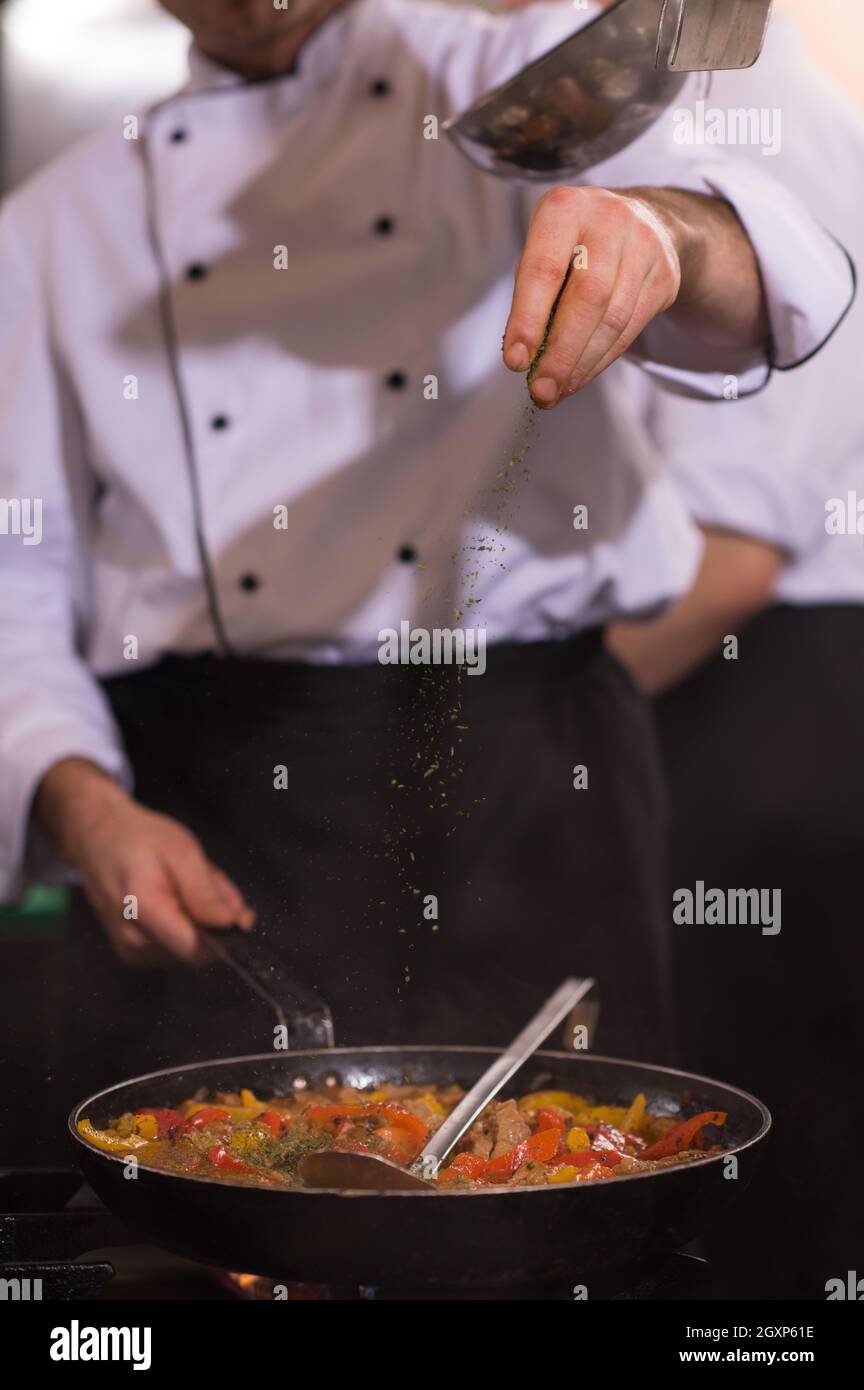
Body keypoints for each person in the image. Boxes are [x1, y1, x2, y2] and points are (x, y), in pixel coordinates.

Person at [0, 0, 854, 1143]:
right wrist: (82, 805)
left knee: (576, 1170)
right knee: (198, 1187)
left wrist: (665, 235)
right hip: (204, 805)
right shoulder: (49, 229)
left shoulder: (518, 88)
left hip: (523, 782)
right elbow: (13, 583)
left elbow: (763, 271)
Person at [608, 13, 864, 1298]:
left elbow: (733, 558)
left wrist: (524, 746)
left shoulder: (761, 118)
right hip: (727, 696)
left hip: (768, 705)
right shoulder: (645, 100)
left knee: (759, 1162)